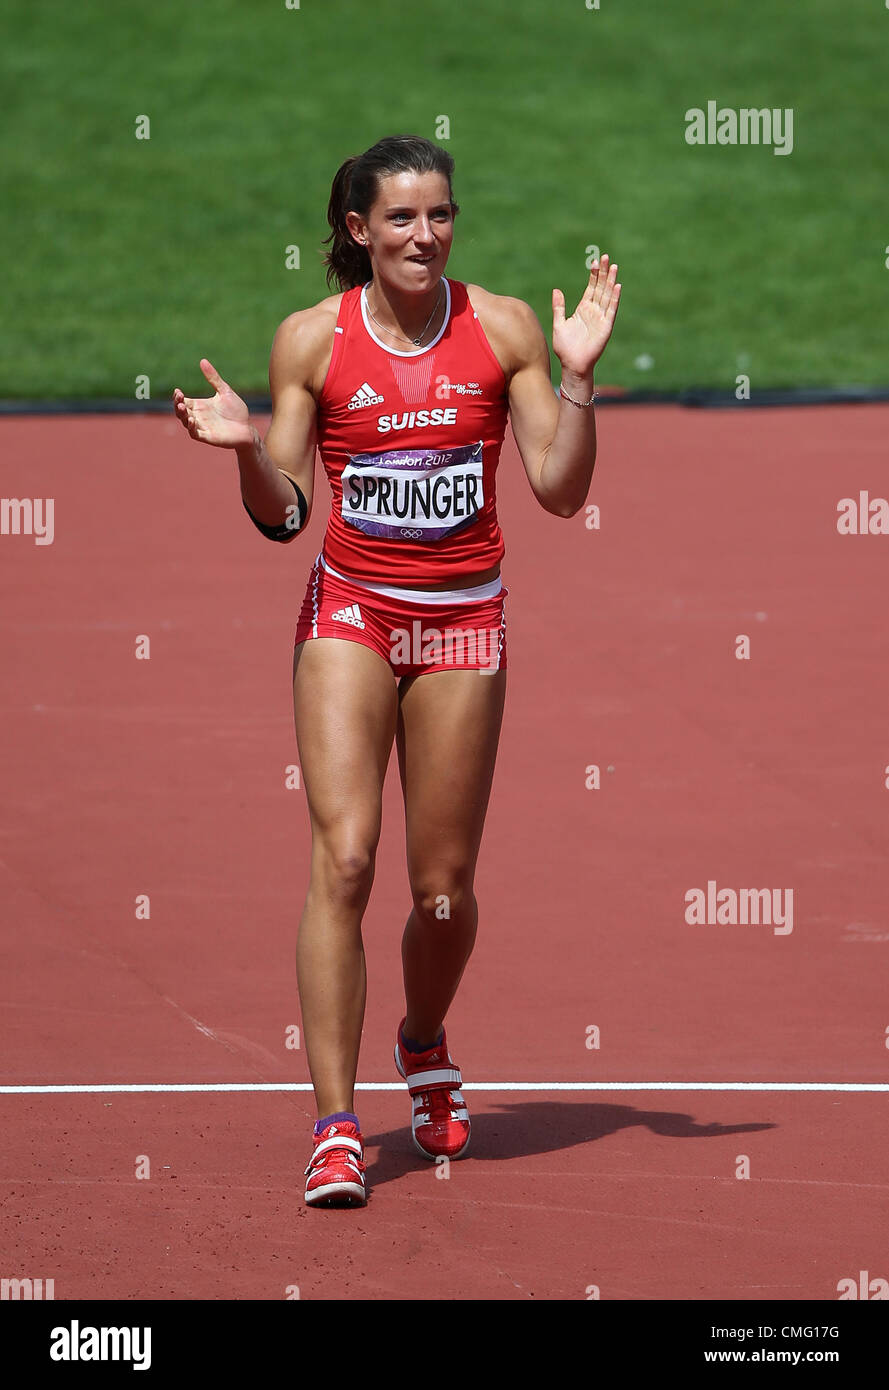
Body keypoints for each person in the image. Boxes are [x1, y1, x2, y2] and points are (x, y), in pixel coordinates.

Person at [172, 134, 620, 1208]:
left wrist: (577, 375)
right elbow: (286, 517)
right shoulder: (311, 344)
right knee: (346, 855)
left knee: (442, 888)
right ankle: (336, 1125)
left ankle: (421, 1039)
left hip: (463, 623)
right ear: (357, 230)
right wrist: (245, 448)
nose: (427, 234)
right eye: (404, 218)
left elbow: (559, 491)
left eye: (442, 214)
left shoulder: (502, 327)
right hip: (353, 616)